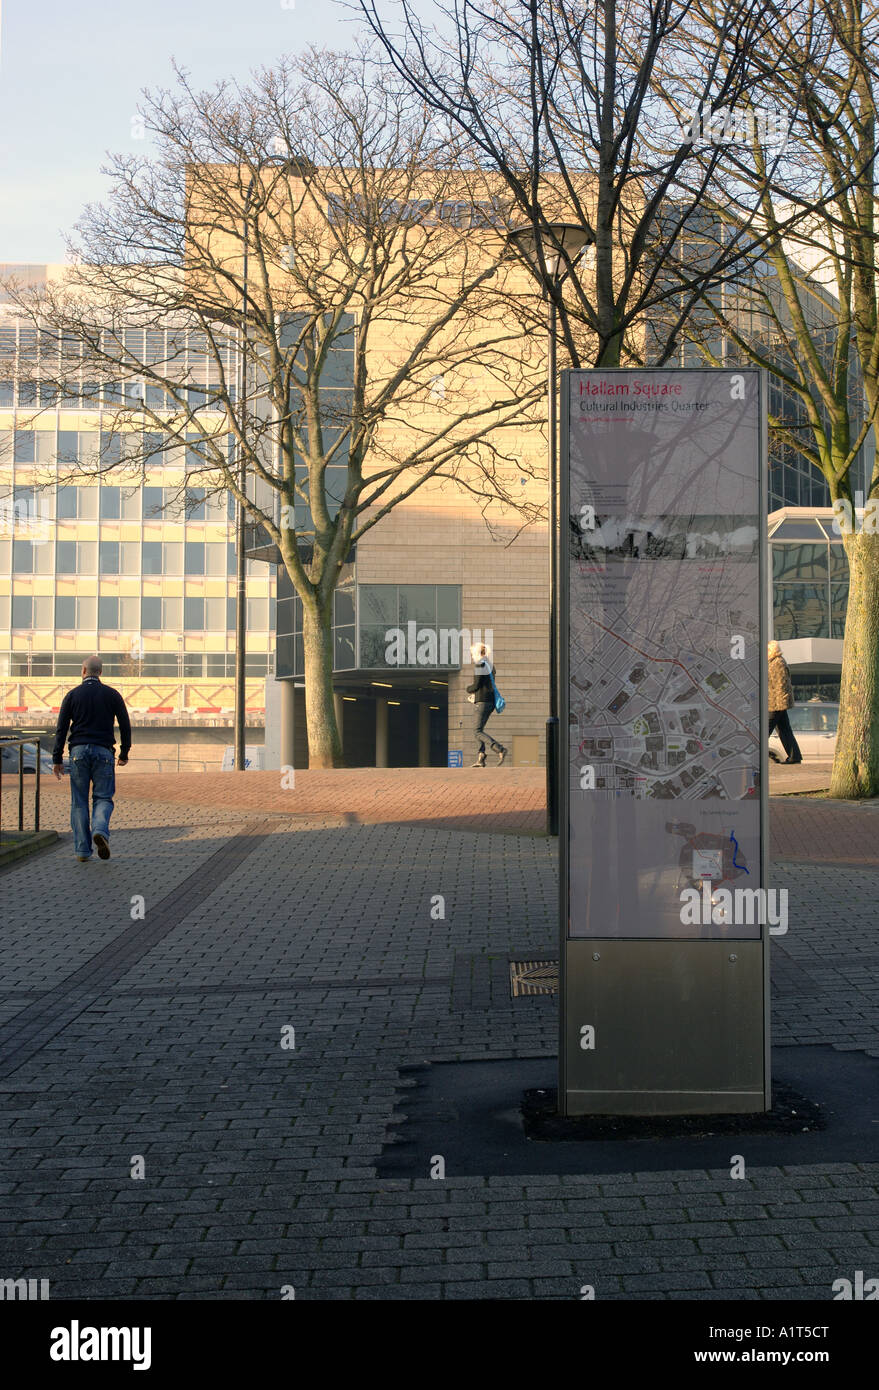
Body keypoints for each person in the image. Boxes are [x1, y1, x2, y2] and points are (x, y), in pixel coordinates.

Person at [52, 655, 132, 861]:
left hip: (78, 752)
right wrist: (124, 752)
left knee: (79, 802)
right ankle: (100, 830)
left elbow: (61, 729)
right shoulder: (112, 695)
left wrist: (57, 758)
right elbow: (124, 724)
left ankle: (82, 851)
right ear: (101, 672)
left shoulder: (72, 695)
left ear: (83, 671)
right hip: (104, 752)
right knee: (103, 798)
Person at [467, 643, 507, 767]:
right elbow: (485, 685)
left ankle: (499, 749)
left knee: (477, 731)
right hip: (490, 702)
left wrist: (468, 689)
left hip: (482, 702)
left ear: (477, 653)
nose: (472, 657)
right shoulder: (490, 665)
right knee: (478, 730)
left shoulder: (480, 664)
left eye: (472, 654)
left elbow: (476, 685)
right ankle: (481, 757)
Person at [768, 640, 802, 764]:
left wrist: (780, 704)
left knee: (765, 728)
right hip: (775, 702)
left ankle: (754, 753)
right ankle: (794, 756)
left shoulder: (777, 663)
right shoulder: (774, 662)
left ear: (772, 650)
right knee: (784, 730)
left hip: (776, 704)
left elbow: (781, 684)